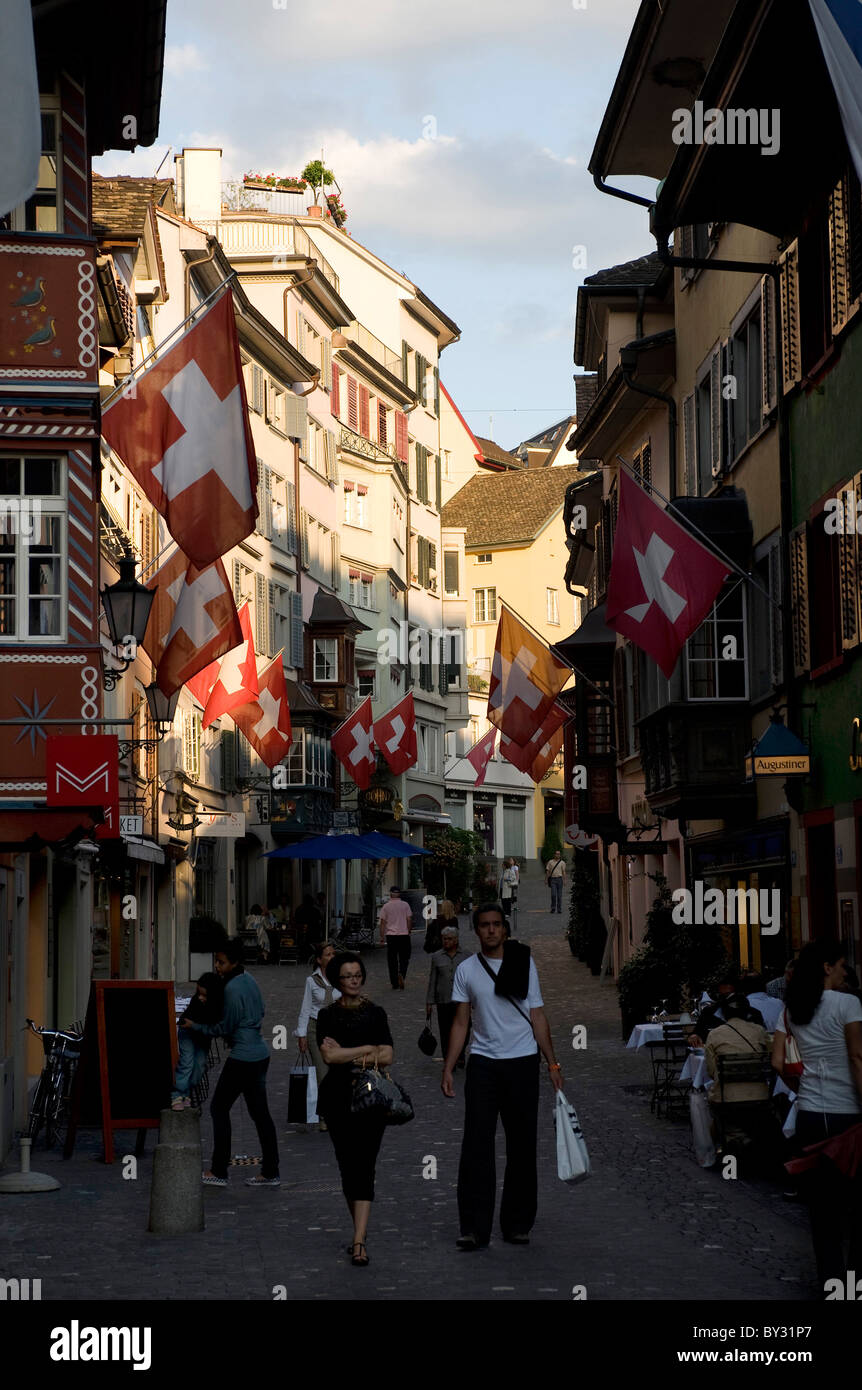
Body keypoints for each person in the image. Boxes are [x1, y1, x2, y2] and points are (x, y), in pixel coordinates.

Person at [441, 902, 564, 1250]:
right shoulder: (466, 970)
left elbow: (537, 1015)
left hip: (522, 1063)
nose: (491, 930)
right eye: (484, 925)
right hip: (483, 1064)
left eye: (496, 924)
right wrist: (449, 1066)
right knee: (476, 1146)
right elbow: (461, 1022)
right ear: (476, 930)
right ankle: (474, 1228)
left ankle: (517, 1223)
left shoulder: (524, 963)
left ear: (505, 929)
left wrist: (552, 1063)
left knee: (522, 1146)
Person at [772, 938, 862, 1289]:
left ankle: (831, 1283)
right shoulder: (848, 1004)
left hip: (810, 1113)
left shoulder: (792, 1008)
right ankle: (853, 1284)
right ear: (827, 967)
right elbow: (857, 1057)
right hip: (848, 1114)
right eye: (841, 965)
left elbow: (778, 1061)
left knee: (822, 1210)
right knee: (856, 1206)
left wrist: (800, 1089)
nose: (844, 972)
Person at [317, 952, 395, 1267]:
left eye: (358, 974)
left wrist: (348, 1053)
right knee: (347, 1166)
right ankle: (358, 1230)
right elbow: (328, 1058)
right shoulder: (327, 1016)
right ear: (338, 979)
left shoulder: (376, 1013)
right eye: (348, 975)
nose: (354, 980)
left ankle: (359, 1240)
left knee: (364, 1165)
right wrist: (367, 1049)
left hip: (371, 1097)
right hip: (336, 1099)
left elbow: (388, 1055)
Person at [183, 937, 280, 1189]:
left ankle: (218, 1170)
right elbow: (261, 1011)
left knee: (218, 1108)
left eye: (222, 962)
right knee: (260, 1115)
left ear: (234, 962)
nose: (217, 966)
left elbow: (224, 1026)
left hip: (243, 1057)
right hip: (260, 1053)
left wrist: (196, 1026)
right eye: (216, 961)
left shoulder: (232, 988)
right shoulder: (250, 980)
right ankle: (271, 1171)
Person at [295, 942, 342, 1131]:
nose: (331, 957)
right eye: (328, 954)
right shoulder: (311, 981)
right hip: (317, 1028)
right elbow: (306, 1008)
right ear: (319, 959)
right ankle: (324, 1116)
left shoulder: (341, 977)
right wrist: (302, 1034)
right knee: (322, 1073)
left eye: (333, 953)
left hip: (338, 1029)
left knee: (338, 1073)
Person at [172, 972, 224, 1110]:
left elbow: (213, 1028)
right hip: (187, 1033)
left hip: (202, 1036)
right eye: (198, 992)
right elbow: (187, 1021)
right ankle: (177, 1094)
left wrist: (195, 1025)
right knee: (186, 1062)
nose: (200, 997)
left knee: (199, 1066)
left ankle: (187, 1092)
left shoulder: (218, 1007)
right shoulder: (196, 1001)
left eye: (204, 995)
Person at [426, 925, 470, 1067]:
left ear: (456, 940)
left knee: (465, 1028)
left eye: (449, 939)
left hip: (462, 1000)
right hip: (443, 999)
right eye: (444, 939)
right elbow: (433, 980)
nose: (446, 942)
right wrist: (429, 1002)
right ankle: (448, 1058)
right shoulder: (437, 957)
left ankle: (461, 1054)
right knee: (445, 1031)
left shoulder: (466, 956)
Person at [379, 884, 413, 990]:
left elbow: (383, 922)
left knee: (392, 959)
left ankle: (394, 982)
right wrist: (409, 930)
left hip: (391, 936)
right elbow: (409, 919)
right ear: (399, 894)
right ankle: (402, 973)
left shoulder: (386, 906)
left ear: (390, 894)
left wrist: (382, 936)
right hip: (404, 935)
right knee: (405, 957)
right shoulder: (405, 905)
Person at [545, 850, 566, 914]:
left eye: (559, 854)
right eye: (556, 854)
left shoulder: (562, 862)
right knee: (553, 895)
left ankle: (559, 909)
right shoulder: (550, 862)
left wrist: (564, 880)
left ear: (560, 855)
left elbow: (563, 872)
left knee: (559, 896)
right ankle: (553, 908)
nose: (557, 855)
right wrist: (546, 879)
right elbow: (548, 871)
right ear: (554, 855)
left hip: (560, 880)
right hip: (553, 880)